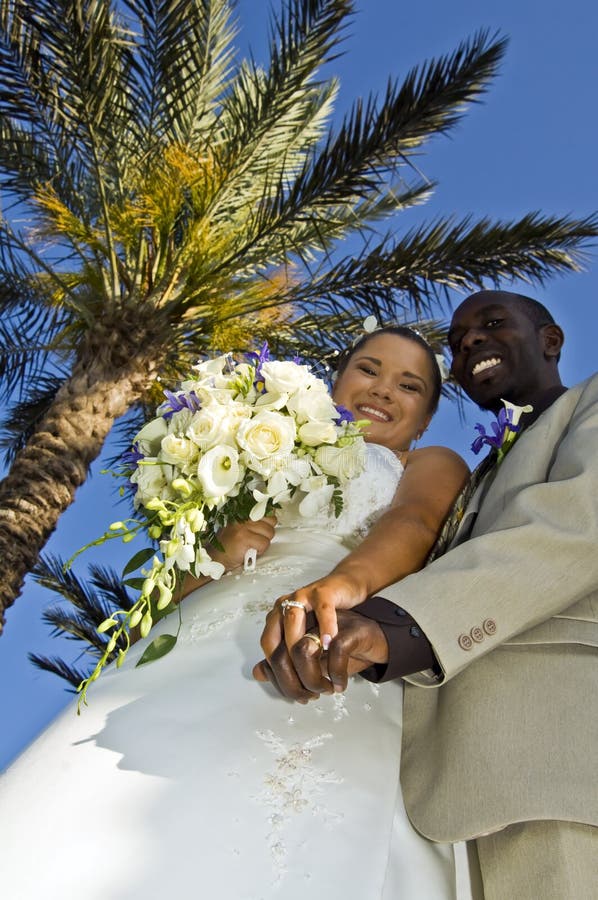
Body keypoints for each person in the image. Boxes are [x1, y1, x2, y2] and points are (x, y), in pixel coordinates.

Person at [0, 327, 470, 900]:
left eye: (409, 385)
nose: (383, 390)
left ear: (424, 419)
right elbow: (164, 597)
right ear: (338, 379)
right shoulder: (276, 438)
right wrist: (219, 550)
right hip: (205, 629)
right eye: (368, 370)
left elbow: (414, 525)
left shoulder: (430, 460)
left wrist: (343, 586)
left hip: (326, 632)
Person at [257, 291, 598, 899]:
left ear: (551, 340)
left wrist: (396, 628)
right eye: (459, 341)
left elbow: (575, 528)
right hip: (449, 779)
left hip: (559, 759)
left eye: (492, 325)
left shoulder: (590, 404)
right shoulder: (480, 472)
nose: (471, 345)